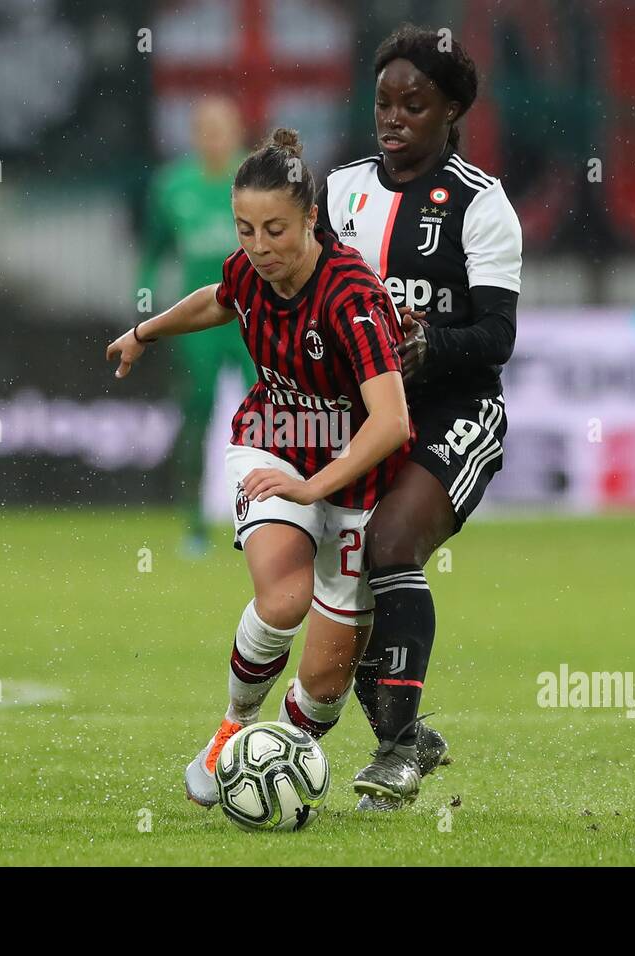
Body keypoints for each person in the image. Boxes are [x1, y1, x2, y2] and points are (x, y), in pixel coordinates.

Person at [107, 128, 414, 807]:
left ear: (310, 219)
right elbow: (220, 297)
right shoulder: (250, 270)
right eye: (245, 229)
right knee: (283, 599)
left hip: (355, 476)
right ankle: (234, 728)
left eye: (275, 229)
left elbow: (392, 422)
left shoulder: (351, 296)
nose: (259, 246)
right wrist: (144, 331)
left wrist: (314, 487)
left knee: (325, 687)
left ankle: (282, 756)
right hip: (272, 441)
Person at [315, 25, 523, 808]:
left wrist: (430, 345)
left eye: (414, 104)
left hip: (455, 411)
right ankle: (407, 734)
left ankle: (397, 754)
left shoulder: (481, 203)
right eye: (383, 103)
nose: (393, 118)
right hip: (364, 416)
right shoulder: (339, 192)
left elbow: (497, 335)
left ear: (452, 111)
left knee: (391, 543)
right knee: (347, 581)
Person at [137, 96, 255, 555]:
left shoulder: (256, 179)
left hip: (252, 318)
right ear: (193, 135)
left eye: (221, 129)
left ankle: (272, 518)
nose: (213, 139)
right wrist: (145, 298)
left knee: (270, 414)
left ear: (238, 132)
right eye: (205, 130)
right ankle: (194, 523)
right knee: (197, 410)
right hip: (199, 322)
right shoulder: (173, 186)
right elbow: (154, 250)